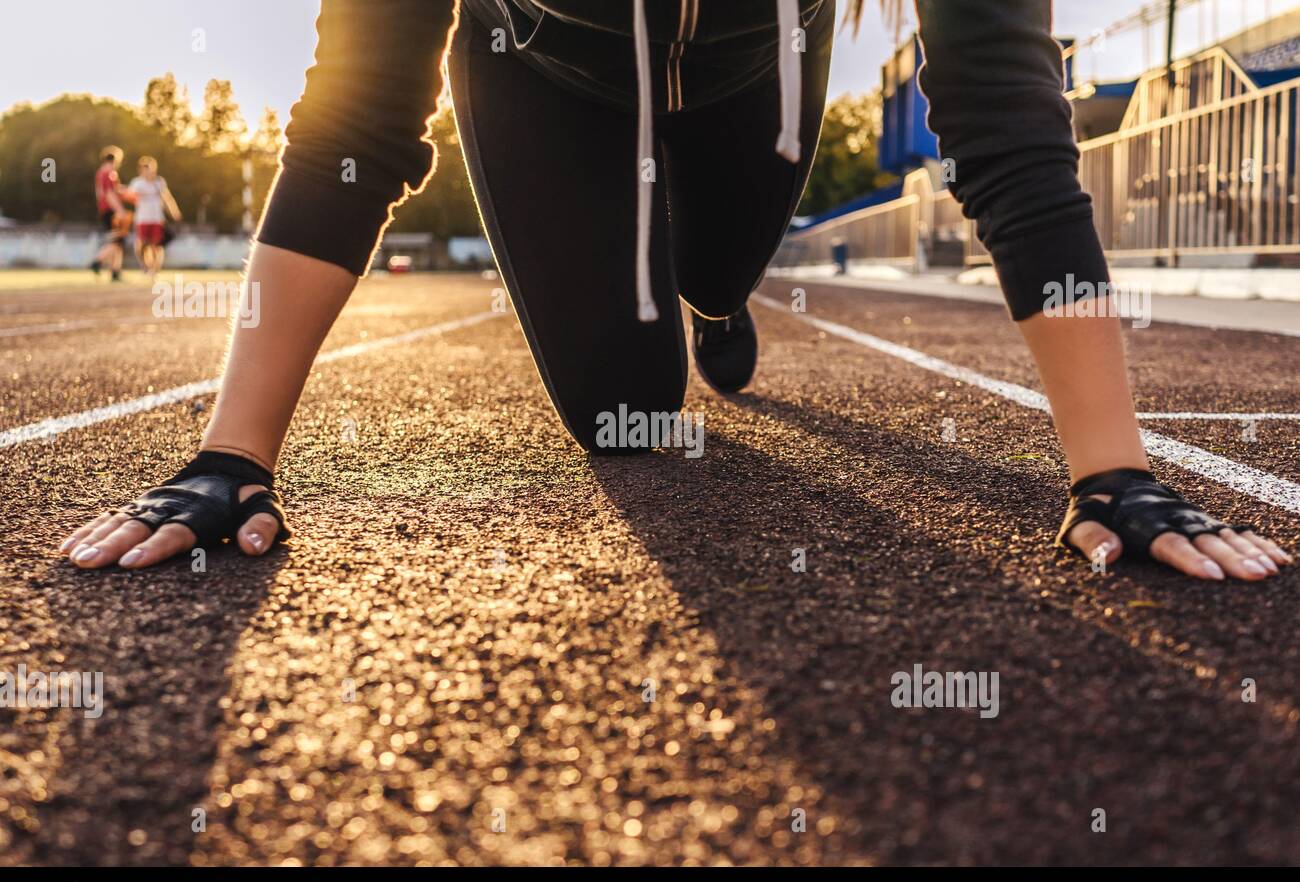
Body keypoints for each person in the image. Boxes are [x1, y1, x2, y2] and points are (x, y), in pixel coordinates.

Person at [58, 0, 1290, 582]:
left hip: (757, 75)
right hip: (552, 84)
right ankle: (666, 303)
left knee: (713, 267)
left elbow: (1008, 120)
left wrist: (1112, 467)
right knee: (626, 418)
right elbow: (355, 119)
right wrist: (232, 455)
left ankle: (711, 292)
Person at [126, 156, 182, 277]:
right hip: (142, 218)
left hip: (157, 218)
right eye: (145, 168)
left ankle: (154, 270)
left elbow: (167, 198)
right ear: (141, 170)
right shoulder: (137, 183)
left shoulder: (159, 182)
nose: (148, 171)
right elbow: (129, 196)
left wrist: (174, 211)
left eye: (150, 168)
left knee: (157, 245)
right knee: (141, 245)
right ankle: (145, 265)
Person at [89, 145, 127, 281]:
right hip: (111, 210)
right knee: (117, 241)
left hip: (104, 209)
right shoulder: (110, 172)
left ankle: (115, 272)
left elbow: (107, 191)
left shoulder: (100, 173)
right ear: (115, 159)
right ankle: (97, 261)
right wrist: (119, 210)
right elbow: (109, 193)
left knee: (117, 242)